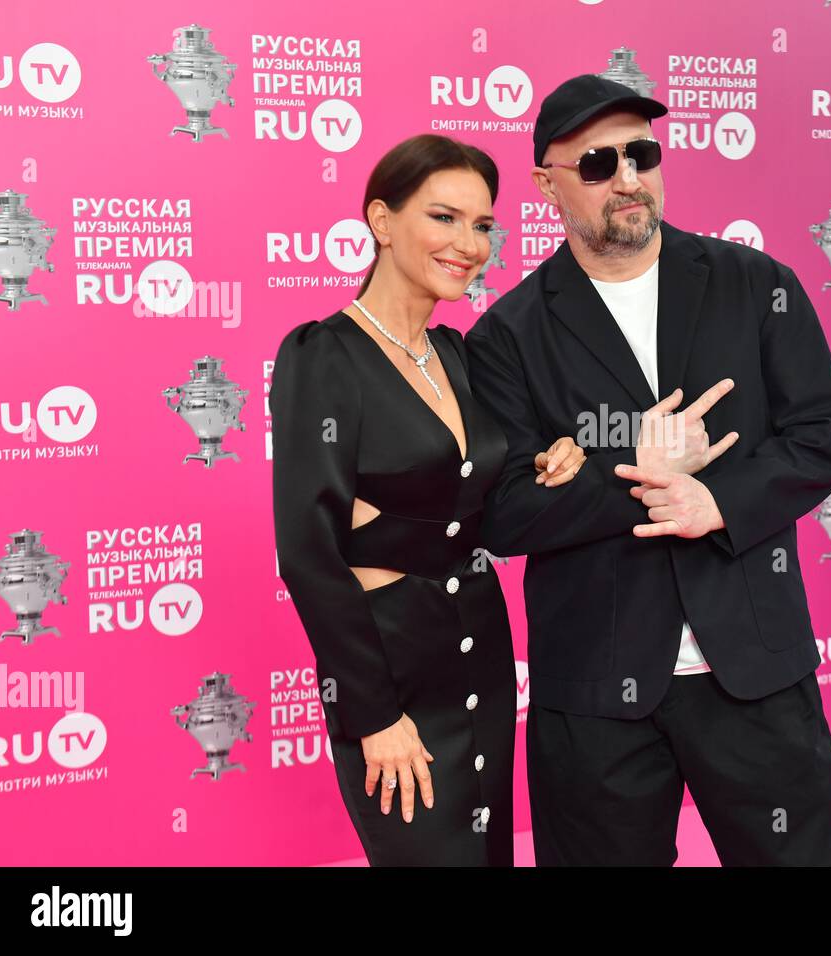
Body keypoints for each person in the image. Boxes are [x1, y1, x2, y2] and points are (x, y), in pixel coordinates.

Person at [465, 75, 831, 866]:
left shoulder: (756, 285)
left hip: (753, 671)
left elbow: (819, 434)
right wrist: (633, 472)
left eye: (641, 153)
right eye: (599, 164)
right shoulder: (508, 335)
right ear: (547, 183)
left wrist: (713, 500)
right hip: (596, 693)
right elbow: (502, 513)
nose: (629, 178)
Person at [270, 134, 586, 867]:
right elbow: (310, 551)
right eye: (444, 218)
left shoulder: (455, 353)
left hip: (480, 647)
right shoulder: (324, 356)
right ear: (382, 221)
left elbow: (471, 490)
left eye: (482, 226)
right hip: (392, 668)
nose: (469, 245)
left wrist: (548, 459)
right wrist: (374, 714)